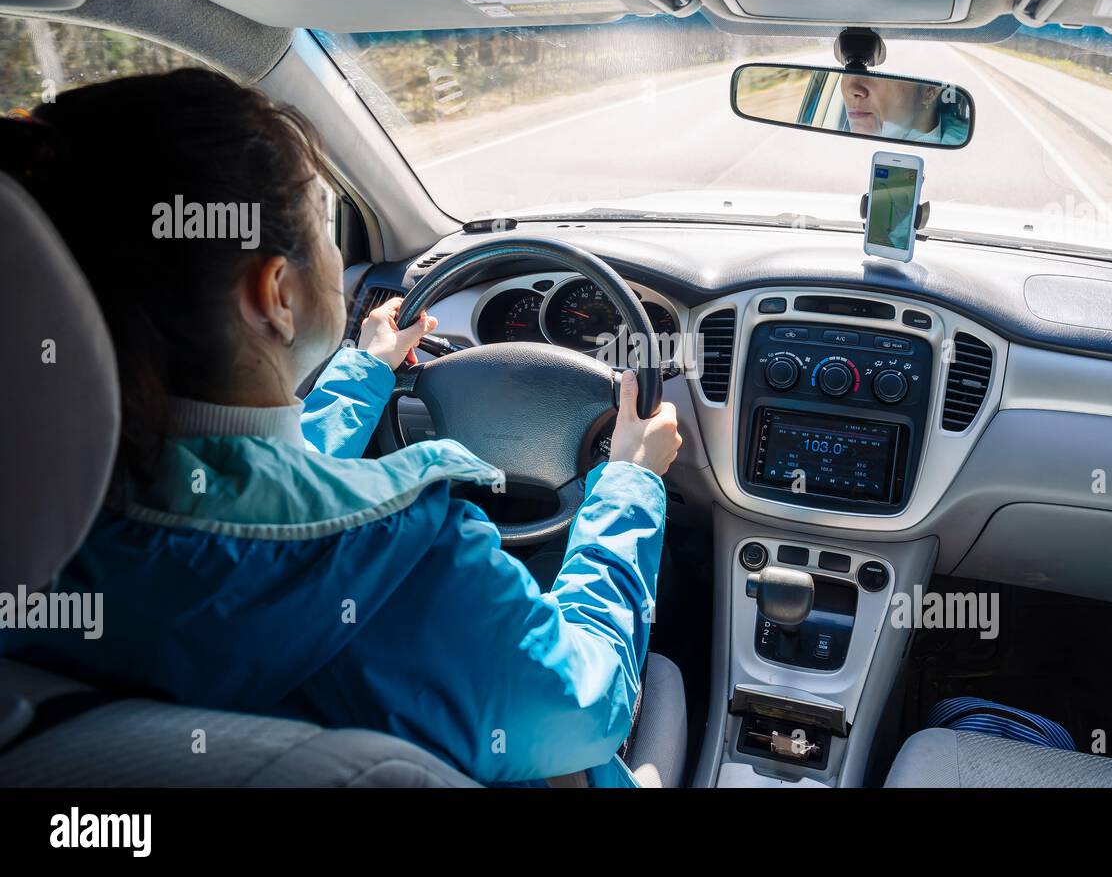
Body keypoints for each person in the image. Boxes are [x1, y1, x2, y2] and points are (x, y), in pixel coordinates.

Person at [0, 69, 682, 787]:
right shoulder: (413, 562)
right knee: (660, 684)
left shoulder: (38, 528)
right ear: (274, 294)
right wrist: (630, 484)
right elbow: (588, 708)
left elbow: (247, 508)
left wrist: (365, 373)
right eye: (325, 230)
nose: (336, 259)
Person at [839, 72, 969, 145]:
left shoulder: (959, 152)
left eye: (877, 73)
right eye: (844, 72)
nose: (851, 90)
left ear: (930, 90)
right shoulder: (844, 148)